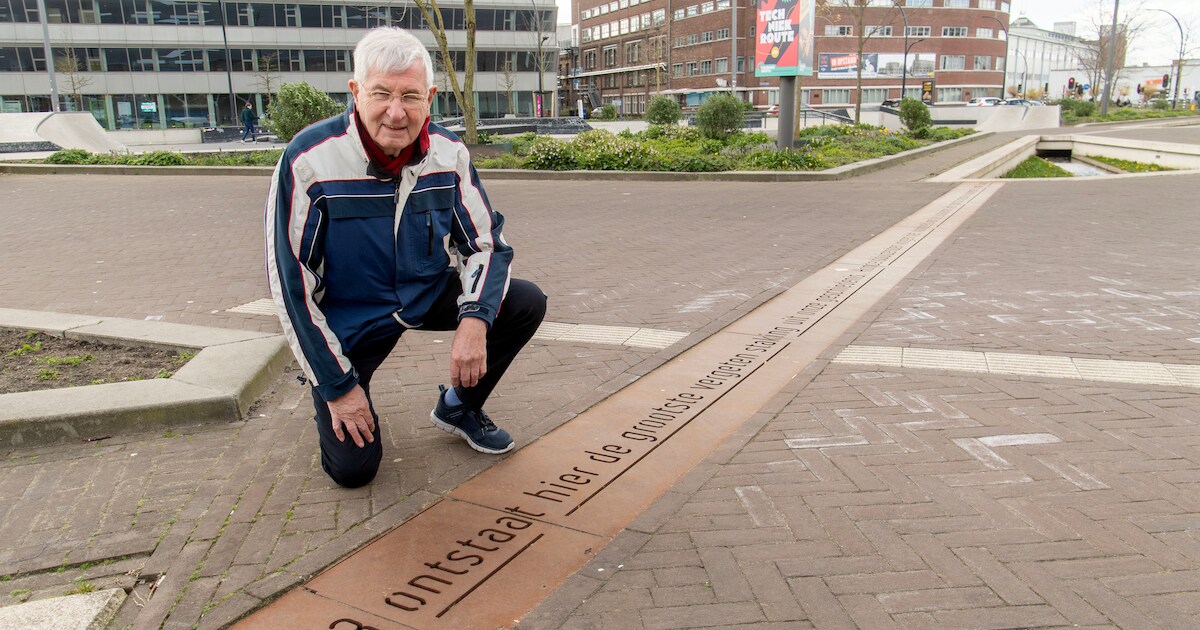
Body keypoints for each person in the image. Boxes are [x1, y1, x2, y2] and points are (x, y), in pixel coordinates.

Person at [265, 27, 547, 488]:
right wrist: (338, 388)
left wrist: (474, 320)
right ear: (356, 92)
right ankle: (340, 389)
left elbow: (485, 244)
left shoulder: (448, 153)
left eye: (411, 96)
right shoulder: (309, 161)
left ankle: (460, 405)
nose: (396, 112)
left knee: (523, 301)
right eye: (381, 94)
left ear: (430, 97)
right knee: (354, 471)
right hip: (351, 318)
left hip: (423, 291)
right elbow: (291, 284)